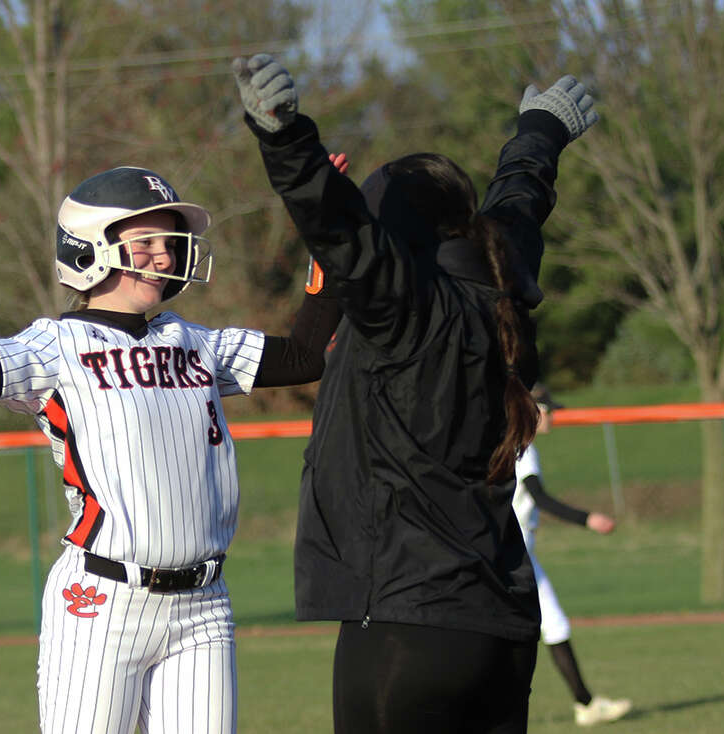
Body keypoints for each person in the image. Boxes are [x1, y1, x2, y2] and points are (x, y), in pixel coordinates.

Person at [0, 156, 346, 733]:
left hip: (203, 605)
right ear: (91, 246)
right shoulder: (55, 345)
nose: (166, 255)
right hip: (101, 603)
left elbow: (302, 357)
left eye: (169, 241)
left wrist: (329, 235)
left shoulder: (192, 341)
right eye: (146, 238)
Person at [232, 54, 599, 733]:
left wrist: (286, 140)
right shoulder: (501, 290)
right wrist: (541, 131)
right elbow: (517, 204)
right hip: (502, 630)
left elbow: (339, 231)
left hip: (407, 626)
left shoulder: (405, 309)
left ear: (395, 238)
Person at [515, 383, 632, 727]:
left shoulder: (515, 443)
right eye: (548, 410)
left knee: (554, 624)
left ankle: (586, 703)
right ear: (531, 410)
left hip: (518, 556)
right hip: (510, 560)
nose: (554, 416)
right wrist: (587, 519)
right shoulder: (524, 447)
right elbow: (539, 497)